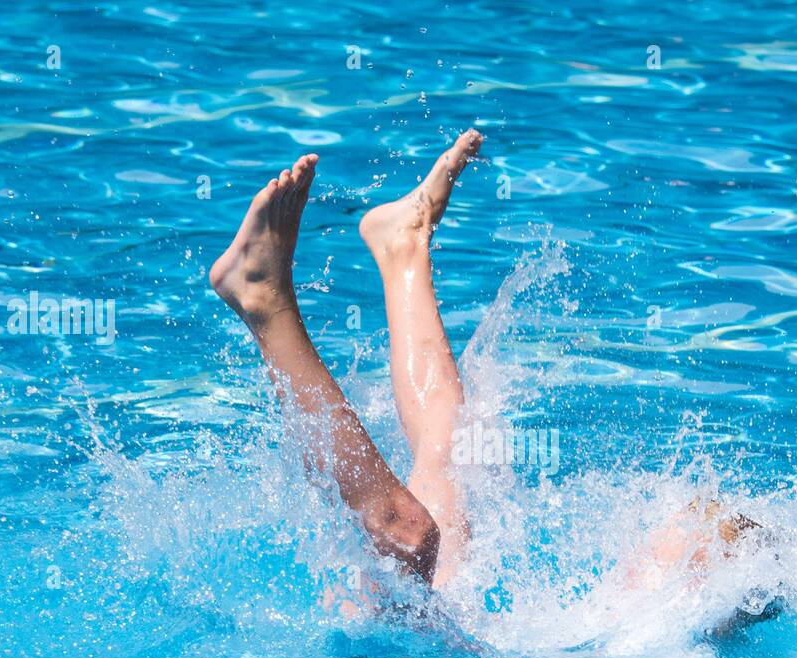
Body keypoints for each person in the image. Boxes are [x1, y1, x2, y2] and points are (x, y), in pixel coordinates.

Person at [209, 128, 759, 592]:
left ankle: (265, 302)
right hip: (455, 636)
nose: (652, 547)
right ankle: (405, 245)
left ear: (698, 592)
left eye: (680, 550)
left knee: (408, 534)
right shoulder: (605, 625)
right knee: (451, 449)